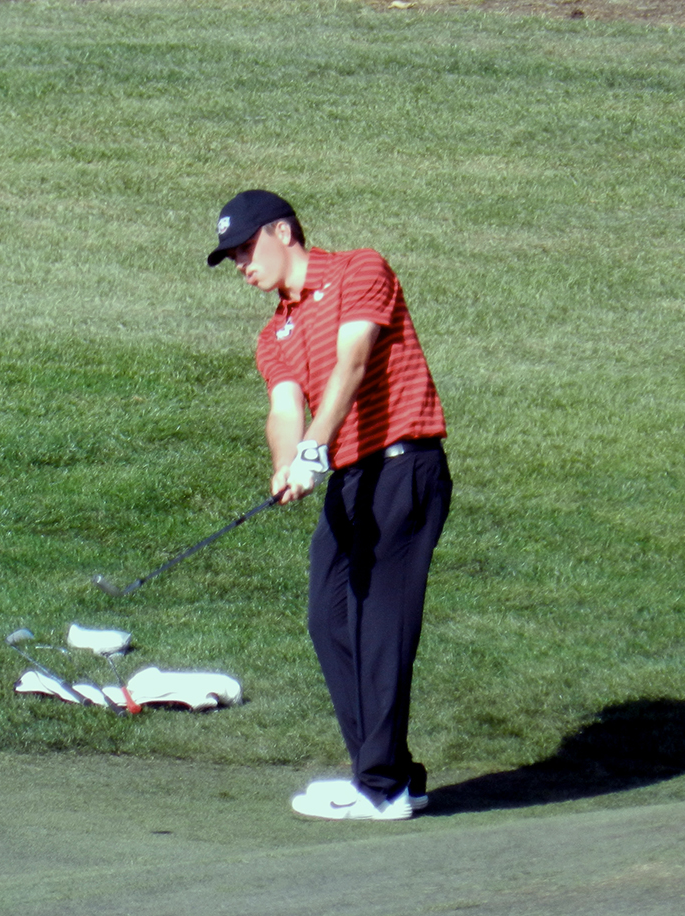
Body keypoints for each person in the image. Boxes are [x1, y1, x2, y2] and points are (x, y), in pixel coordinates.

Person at [207, 190, 453, 821]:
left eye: (243, 247)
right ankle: (393, 773)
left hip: (403, 464)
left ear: (282, 232)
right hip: (347, 478)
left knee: (380, 627)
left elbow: (355, 360)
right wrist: (289, 463)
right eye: (230, 255)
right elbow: (284, 407)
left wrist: (316, 446)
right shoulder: (275, 332)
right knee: (329, 617)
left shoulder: (359, 270)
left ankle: (381, 788)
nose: (239, 263)